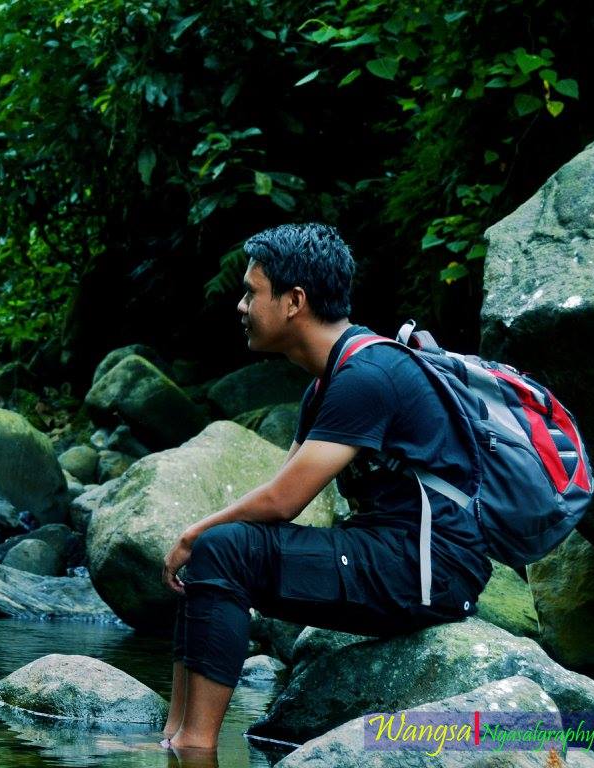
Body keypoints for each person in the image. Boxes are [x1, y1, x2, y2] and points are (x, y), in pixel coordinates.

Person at [159, 223, 491, 753]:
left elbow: (282, 503)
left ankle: (196, 748)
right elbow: (283, 494)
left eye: (251, 292)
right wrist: (204, 541)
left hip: (431, 569)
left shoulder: (368, 376)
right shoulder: (329, 381)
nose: (241, 306)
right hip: (393, 553)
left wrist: (194, 531)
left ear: (294, 301)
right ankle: (175, 739)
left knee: (219, 548)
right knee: (219, 552)